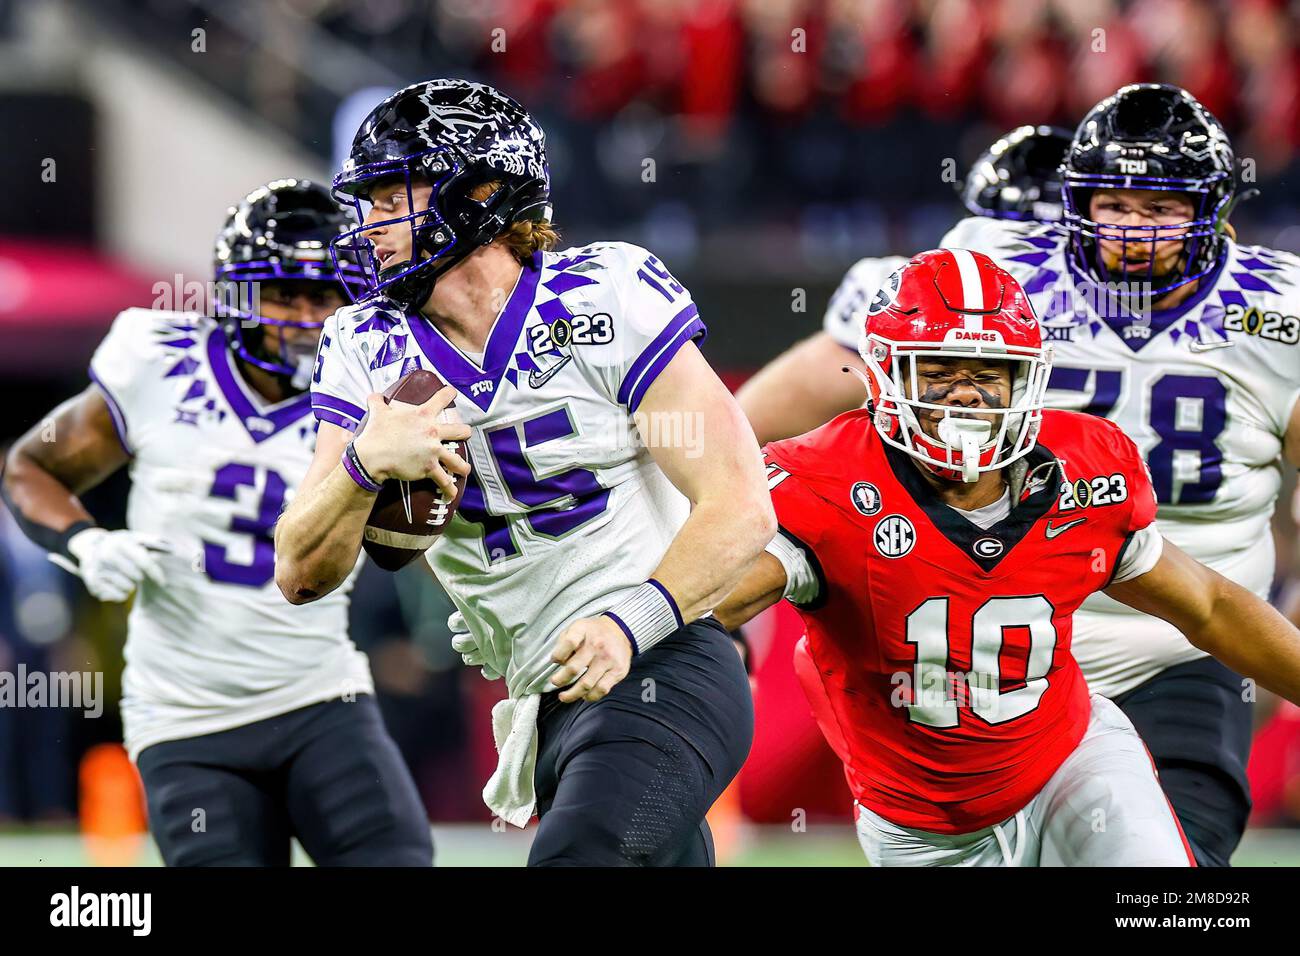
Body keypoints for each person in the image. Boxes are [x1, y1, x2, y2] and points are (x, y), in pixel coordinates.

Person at [274, 79, 773, 867]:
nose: (368, 222)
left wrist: (629, 622)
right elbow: (301, 569)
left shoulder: (604, 292)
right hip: (548, 695)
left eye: (388, 194)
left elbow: (743, 503)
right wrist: (365, 464)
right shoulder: (363, 347)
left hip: (660, 662)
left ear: (476, 192)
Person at [716, 248, 1300, 866]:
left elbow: (1208, 607)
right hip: (923, 826)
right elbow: (706, 609)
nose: (966, 396)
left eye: (989, 371)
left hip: (1074, 762)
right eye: (938, 369)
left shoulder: (1085, 467)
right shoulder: (821, 482)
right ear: (885, 373)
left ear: (1027, 378)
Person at [1, 180, 432, 866]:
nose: (301, 317)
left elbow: (401, 543)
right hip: (186, 717)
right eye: (280, 294)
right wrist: (84, 541)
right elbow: (31, 467)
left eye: (323, 297)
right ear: (235, 294)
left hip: (321, 695)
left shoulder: (378, 389)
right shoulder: (160, 363)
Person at [945, 83, 1299, 866]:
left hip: (1181, 650)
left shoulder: (1278, 315)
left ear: (1213, 211)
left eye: (1161, 209)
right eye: (1115, 205)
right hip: (999, 646)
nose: (1134, 231)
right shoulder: (998, 278)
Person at [737, 125, 1072, 444]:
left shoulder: (1116, 302)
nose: (1031, 255)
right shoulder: (908, 299)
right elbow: (750, 429)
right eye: (1015, 237)